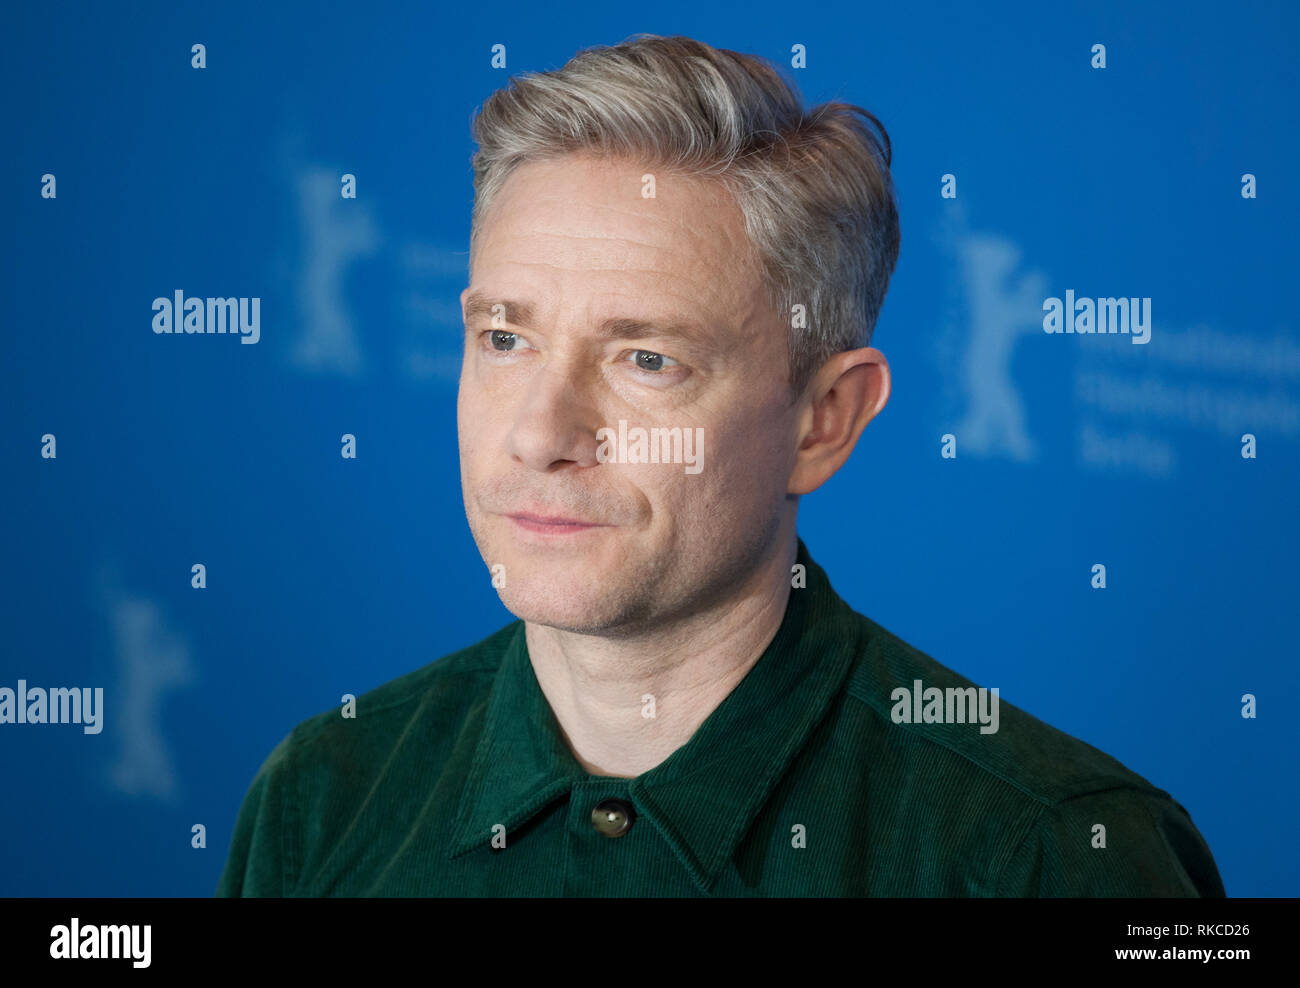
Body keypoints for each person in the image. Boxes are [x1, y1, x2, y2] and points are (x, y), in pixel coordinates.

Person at [217, 34, 1223, 897]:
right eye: (504, 339)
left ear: (822, 422)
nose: (539, 434)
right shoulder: (321, 796)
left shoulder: (1053, 854)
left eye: (646, 359)